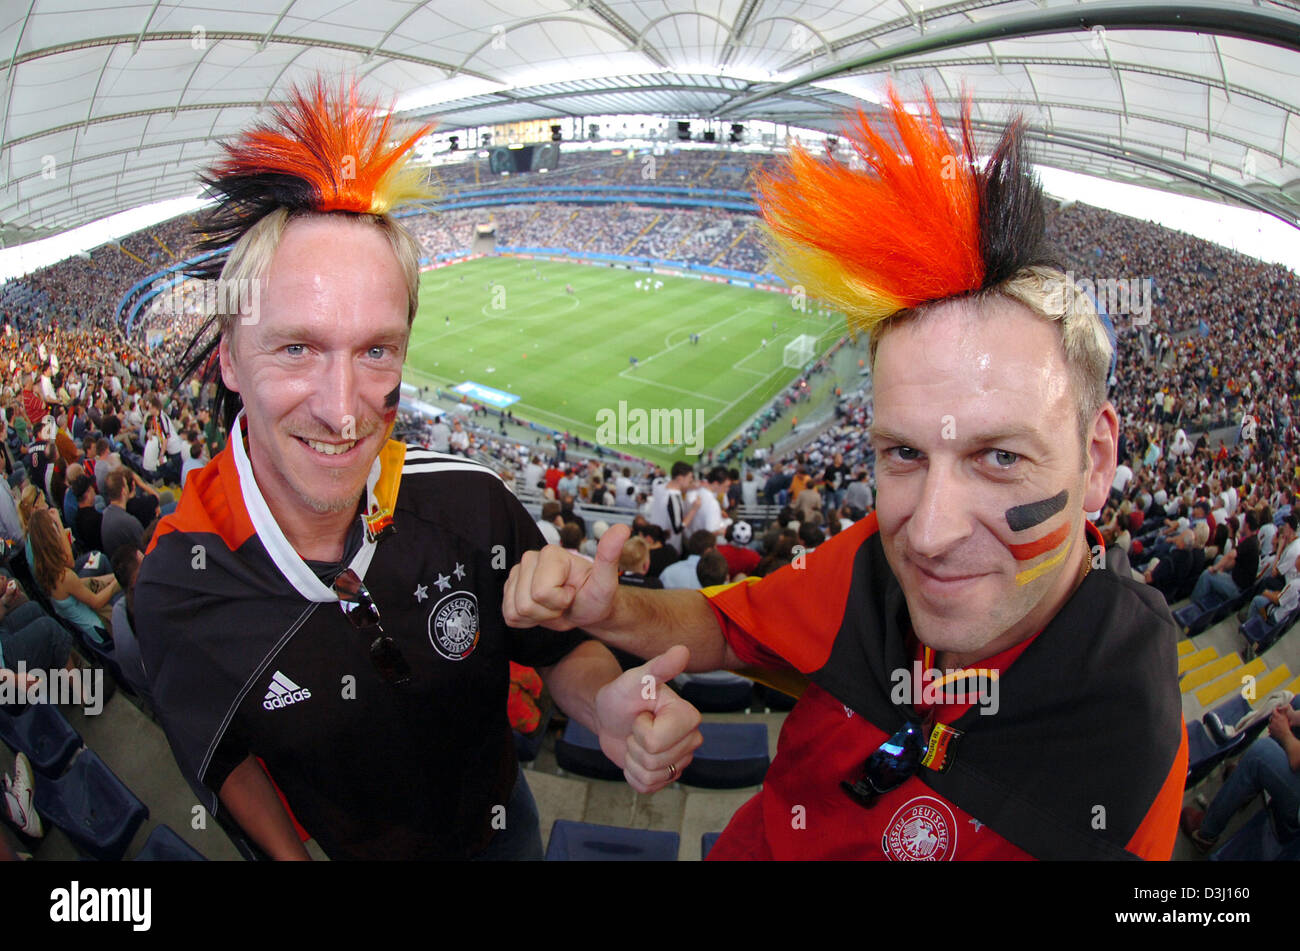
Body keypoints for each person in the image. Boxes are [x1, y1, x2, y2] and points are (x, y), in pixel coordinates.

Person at [503, 88, 1185, 860]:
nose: (927, 533)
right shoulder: (869, 559)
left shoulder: (1125, 755)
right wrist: (613, 609)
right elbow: (730, 629)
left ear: (1097, 461)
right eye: (903, 453)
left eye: (1000, 457)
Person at [133, 78, 702, 861]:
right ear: (229, 356)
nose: (343, 410)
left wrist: (605, 703)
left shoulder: (469, 501)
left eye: (376, 350)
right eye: (296, 347)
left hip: (506, 827)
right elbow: (223, 751)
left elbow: (557, 651)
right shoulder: (179, 583)